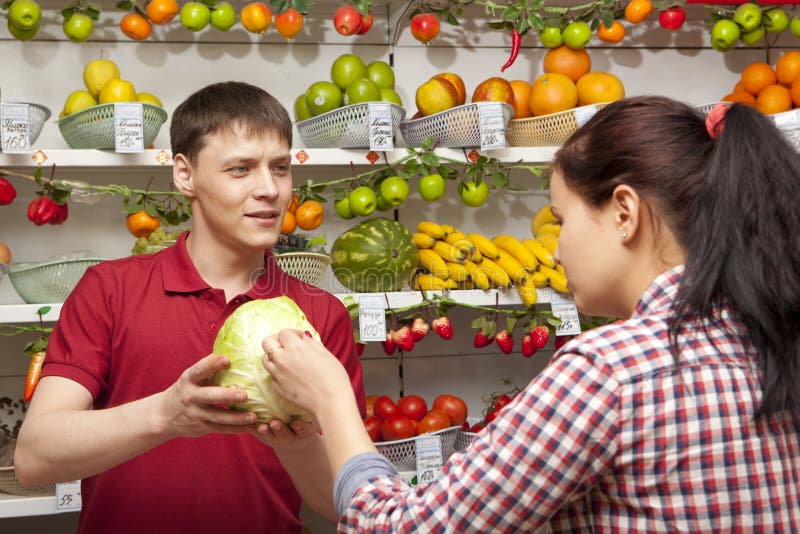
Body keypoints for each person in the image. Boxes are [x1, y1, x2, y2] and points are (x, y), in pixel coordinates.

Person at [262, 96, 800, 532]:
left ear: (623, 213)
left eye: (562, 220)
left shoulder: (608, 372)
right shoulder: (775, 336)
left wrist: (332, 398)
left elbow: (401, 529)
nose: (557, 251)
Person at [14, 81, 365, 533]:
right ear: (185, 175)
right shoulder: (109, 290)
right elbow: (34, 458)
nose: (269, 189)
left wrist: (296, 445)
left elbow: (346, 507)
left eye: (280, 168)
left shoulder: (321, 315)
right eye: (240, 169)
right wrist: (167, 414)